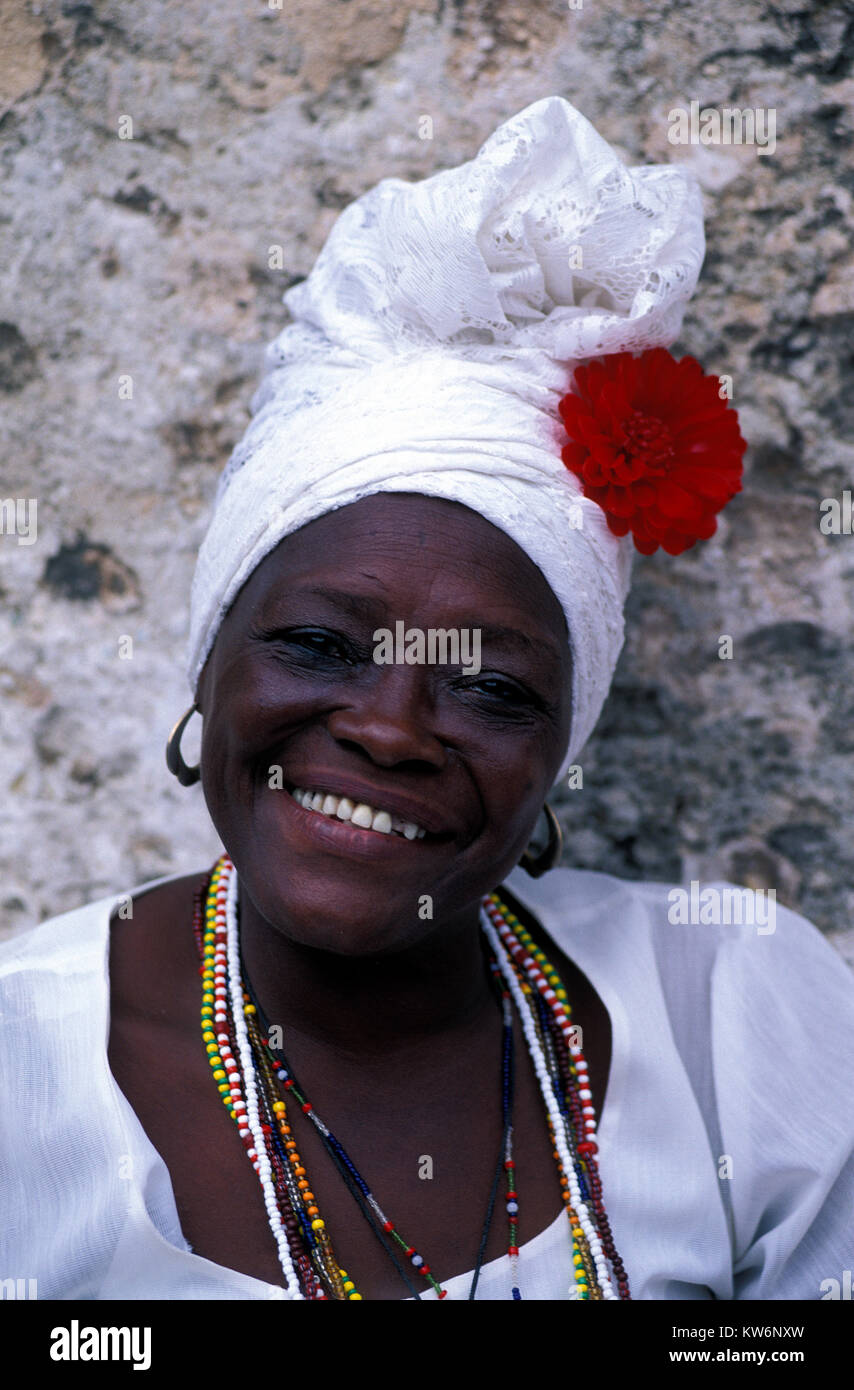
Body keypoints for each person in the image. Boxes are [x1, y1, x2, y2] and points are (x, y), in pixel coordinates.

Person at [2, 97, 852, 1302]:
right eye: (319, 642)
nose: (390, 729)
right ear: (211, 662)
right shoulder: (22, 1079)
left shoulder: (730, 1017)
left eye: (491, 686)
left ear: (564, 745)